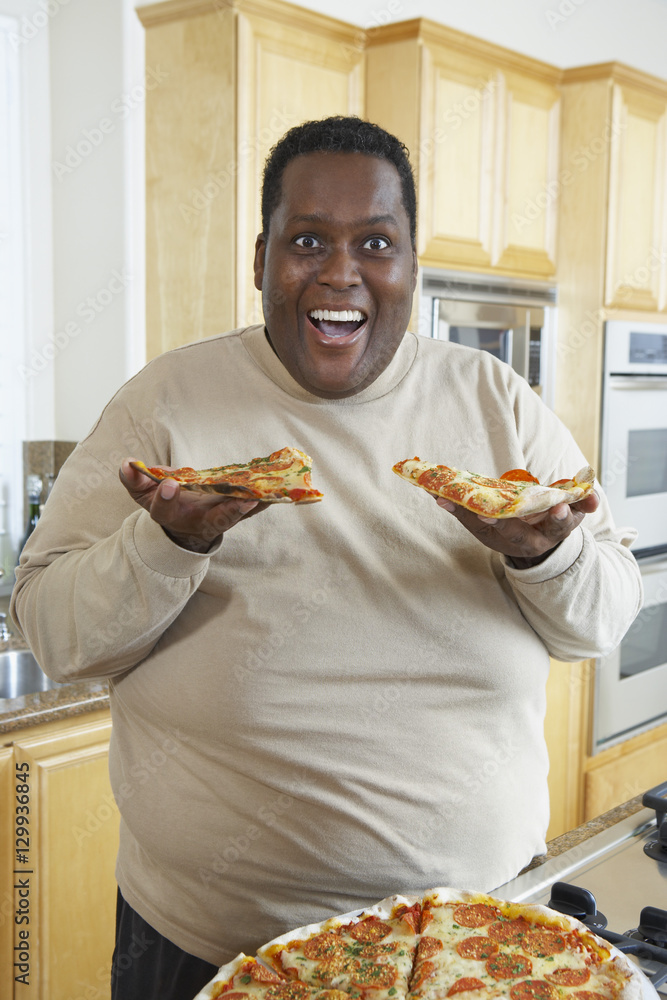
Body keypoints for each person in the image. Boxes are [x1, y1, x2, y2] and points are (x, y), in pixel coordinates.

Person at [11, 116, 642, 999]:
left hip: (469, 936)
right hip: (209, 941)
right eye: (307, 240)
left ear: (411, 264)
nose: (339, 272)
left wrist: (548, 556)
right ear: (261, 255)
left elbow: (603, 619)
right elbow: (52, 632)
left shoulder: (497, 403)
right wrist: (169, 539)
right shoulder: (166, 404)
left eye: (374, 243)